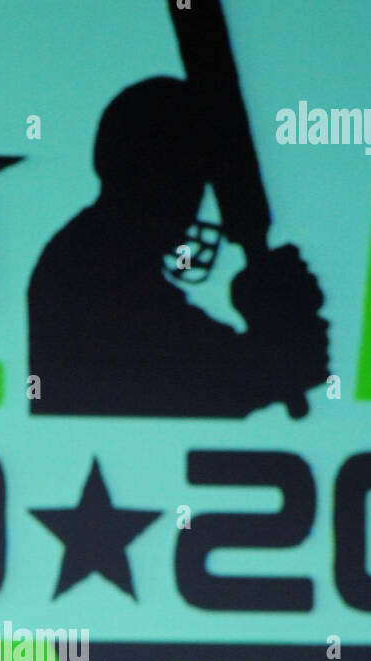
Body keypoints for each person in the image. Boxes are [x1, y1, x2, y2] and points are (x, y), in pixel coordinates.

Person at [27, 77, 329, 418]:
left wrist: (282, 329)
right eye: (191, 177)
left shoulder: (98, 255)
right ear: (153, 174)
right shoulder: (90, 267)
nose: (195, 198)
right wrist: (284, 328)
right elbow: (214, 381)